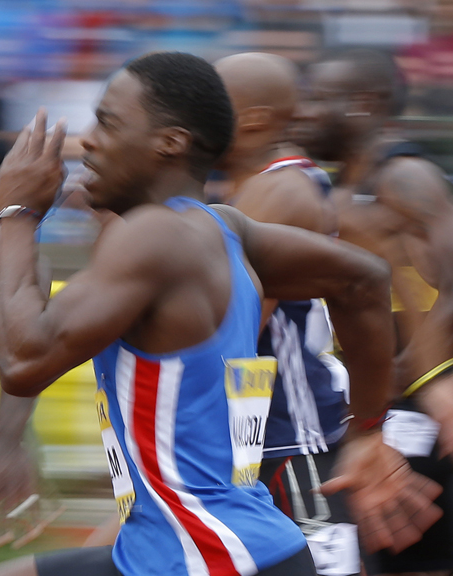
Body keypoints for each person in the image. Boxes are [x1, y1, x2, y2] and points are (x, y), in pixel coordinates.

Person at [0, 51, 441, 576]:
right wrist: (366, 431)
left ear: (170, 142)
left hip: (218, 555)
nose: (89, 141)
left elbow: (22, 361)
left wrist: (17, 214)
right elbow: (364, 279)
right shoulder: (226, 229)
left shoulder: (157, 236)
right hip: (186, 546)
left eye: (106, 122)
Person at [293, 47, 453, 576]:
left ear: (363, 104)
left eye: (319, 99)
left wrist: (434, 379)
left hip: (427, 410)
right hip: (385, 412)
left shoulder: (404, 176)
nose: (305, 113)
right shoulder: (342, 191)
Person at [214, 52, 358, 576]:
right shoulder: (252, 187)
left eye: (210, 101)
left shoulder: (276, 189)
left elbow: (233, 326)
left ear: (251, 119)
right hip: (261, 432)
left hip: (290, 436)